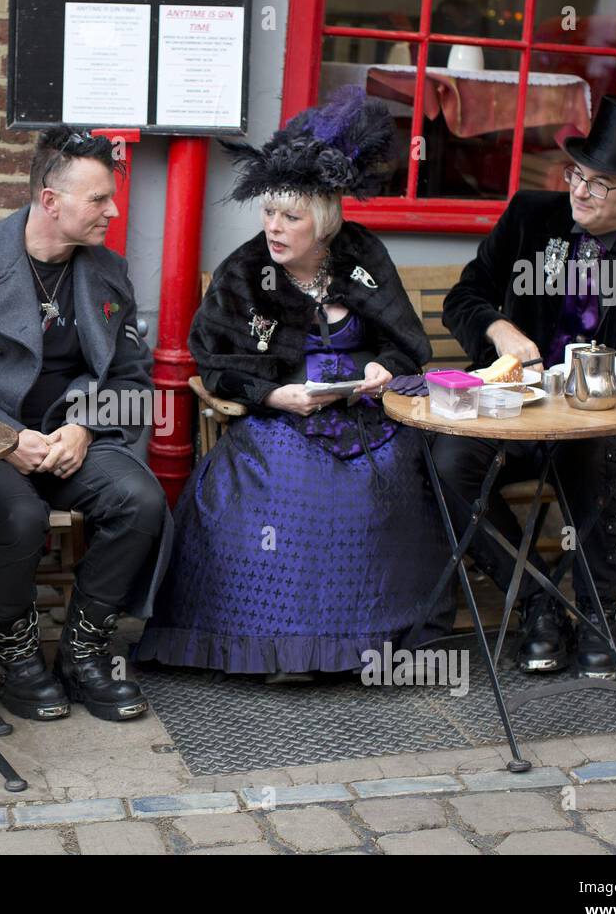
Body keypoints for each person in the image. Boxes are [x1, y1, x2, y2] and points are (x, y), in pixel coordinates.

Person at [135, 87, 452, 678]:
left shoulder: (363, 256)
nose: (275, 228)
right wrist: (272, 394)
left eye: (291, 217)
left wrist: (385, 367)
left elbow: (405, 340)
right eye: (268, 213)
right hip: (282, 413)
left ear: (325, 222)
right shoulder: (246, 272)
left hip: (366, 411)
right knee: (283, 486)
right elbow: (213, 357)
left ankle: (371, 645)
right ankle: (279, 649)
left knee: (386, 481)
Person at [436, 94, 616, 679]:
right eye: (576, 174)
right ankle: (537, 602)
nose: (580, 191)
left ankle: (596, 614)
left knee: (596, 456)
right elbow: (465, 298)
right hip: (515, 416)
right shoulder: (531, 219)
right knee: (446, 460)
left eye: (600, 183)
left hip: (595, 431)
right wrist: (498, 328)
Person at [0, 126, 170, 722]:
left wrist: (82, 426)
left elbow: (131, 377)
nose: (114, 209)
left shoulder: (108, 271)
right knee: (17, 513)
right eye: (99, 198)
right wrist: (4, 437)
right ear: (52, 201)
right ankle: (16, 657)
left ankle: (83, 654)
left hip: (69, 440)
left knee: (139, 500)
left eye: (111, 197)